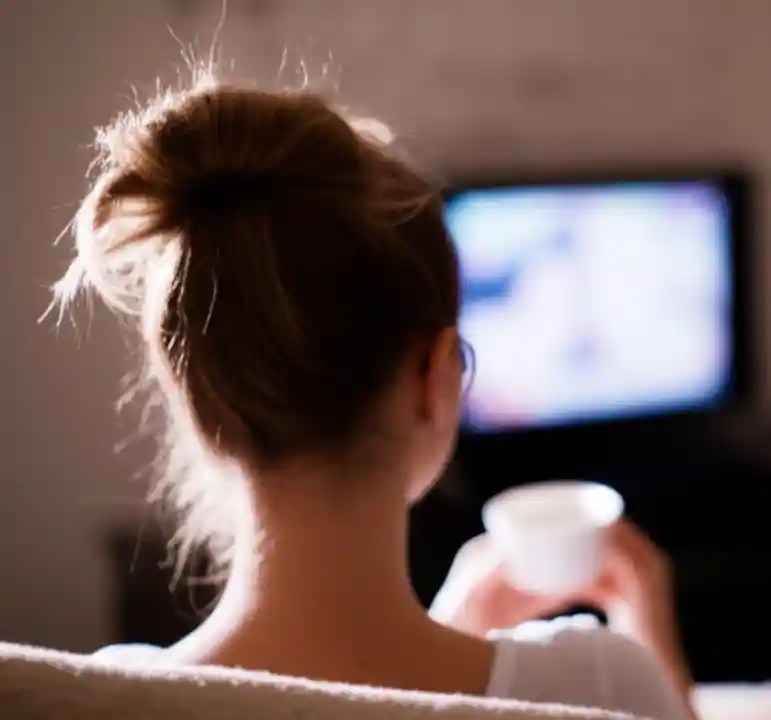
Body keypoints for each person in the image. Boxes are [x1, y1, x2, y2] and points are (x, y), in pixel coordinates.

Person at [61, 73, 694, 720]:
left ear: (192, 398)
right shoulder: (599, 687)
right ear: (436, 379)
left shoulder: (97, 696)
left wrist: (458, 626)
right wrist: (655, 658)